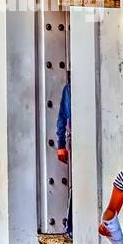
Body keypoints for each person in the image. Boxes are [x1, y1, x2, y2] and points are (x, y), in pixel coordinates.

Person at [56, 78, 72, 235]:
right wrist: (60, 144)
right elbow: (62, 117)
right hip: (74, 141)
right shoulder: (69, 89)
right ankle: (71, 227)